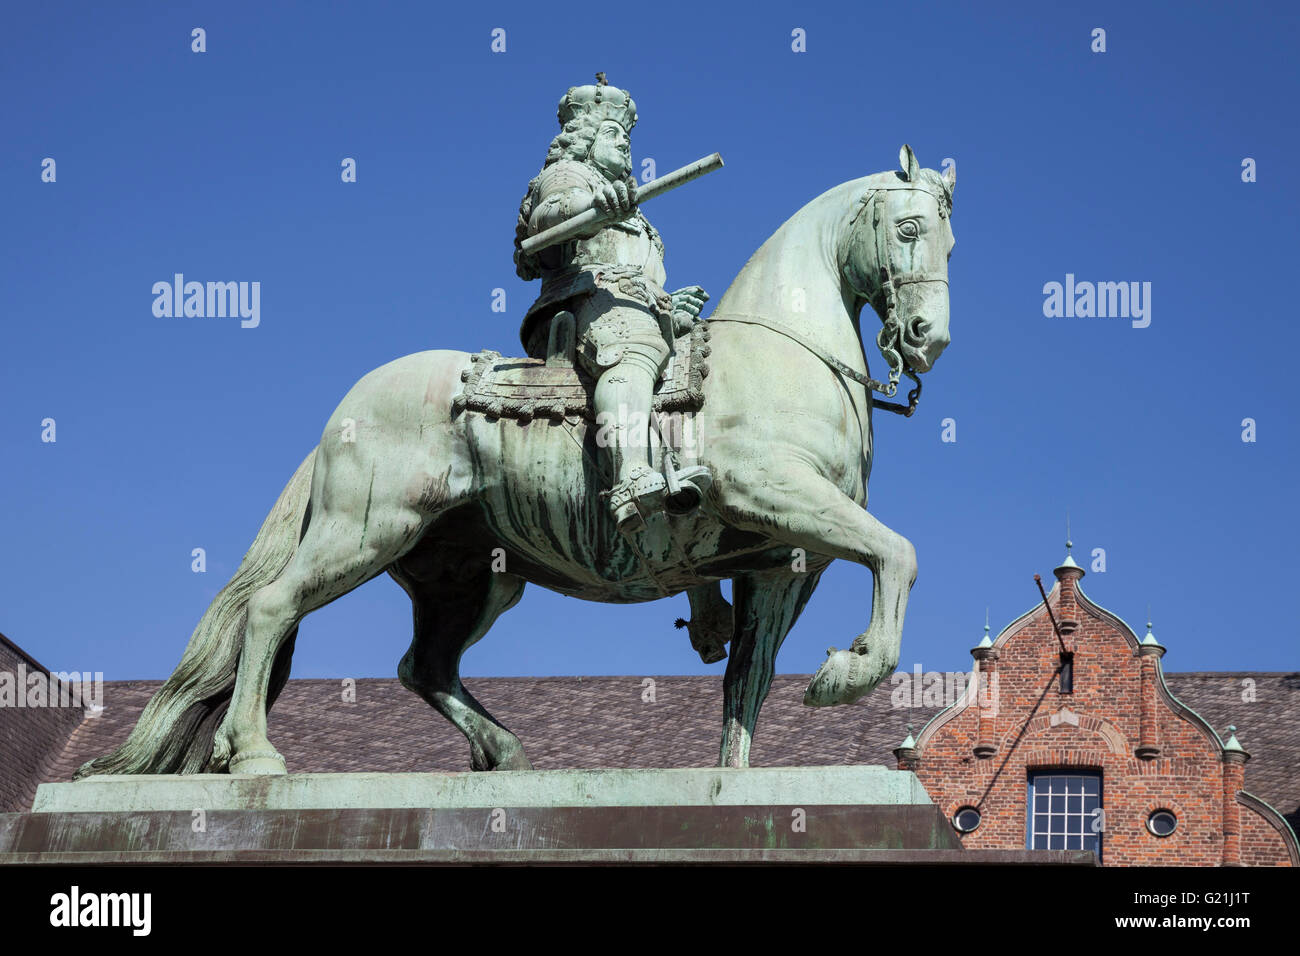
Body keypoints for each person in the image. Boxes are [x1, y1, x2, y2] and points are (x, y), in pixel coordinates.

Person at [514, 77, 708, 530]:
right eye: (613, 135)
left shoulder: (634, 211)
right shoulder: (570, 175)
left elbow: (641, 280)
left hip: (635, 311)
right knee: (633, 350)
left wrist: (669, 306)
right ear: (586, 139)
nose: (624, 144)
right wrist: (589, 207)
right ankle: (631, 478)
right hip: (581, 305)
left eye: (627, 138)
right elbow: (546, 221)